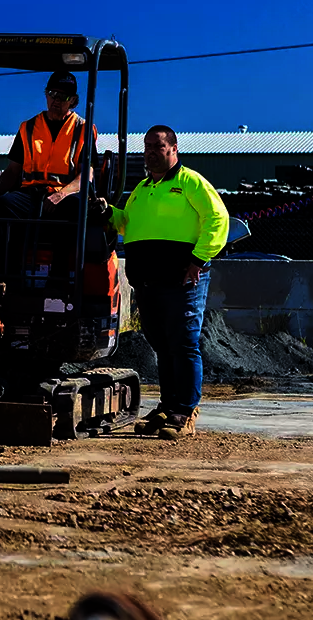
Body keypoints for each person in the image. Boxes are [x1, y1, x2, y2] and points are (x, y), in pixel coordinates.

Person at [93, 125, 229, 440]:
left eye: (157, 146)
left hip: (182, 279)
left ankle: (186, 409)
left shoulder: (190, 183)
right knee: (162, 346)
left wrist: (199, 259)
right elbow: (126, 223)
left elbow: (218, 219)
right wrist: (107, 212)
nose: (150, 152)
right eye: (147, 147)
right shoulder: (142, 189)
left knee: (183, 344)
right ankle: (168, 406)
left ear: (173, 149)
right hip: (148, 282)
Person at [0, 70, 98, 220]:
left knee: (77, 208)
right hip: (31, 196)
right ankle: (9, 244)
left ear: (73, 101)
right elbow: (12, 171)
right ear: (46, 95)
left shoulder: (83, 130)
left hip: (65, 195)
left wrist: (61, 194)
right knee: (3, 203)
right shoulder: (27, 128)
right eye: (52, 94)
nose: (56, 100)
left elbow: (86, 174)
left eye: (63, 96)